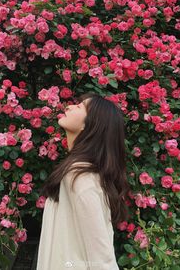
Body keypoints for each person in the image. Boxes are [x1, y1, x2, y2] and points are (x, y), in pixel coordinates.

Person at [36, 92, 130, 270]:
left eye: (79, 106)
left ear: (90, 125)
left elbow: (101, 257)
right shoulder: (79, 172)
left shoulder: (80, 178)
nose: (69, 106)